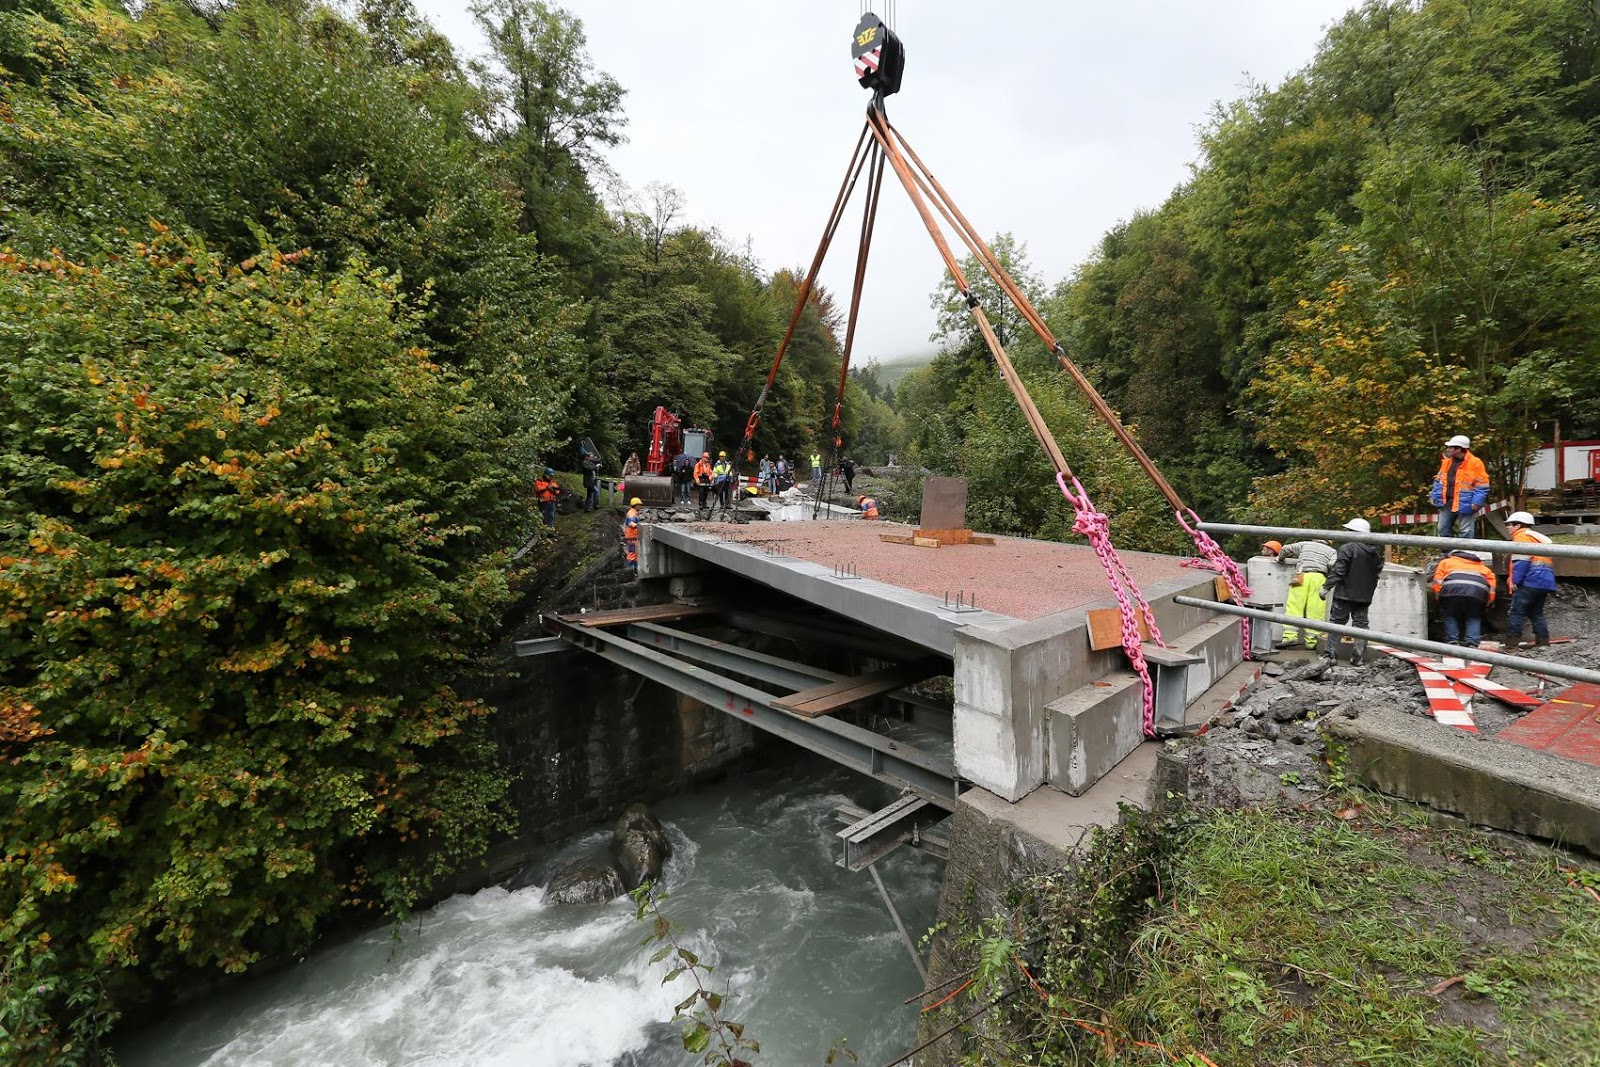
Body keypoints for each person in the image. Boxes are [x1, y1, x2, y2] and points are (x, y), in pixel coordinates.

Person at [1323, 517, 1383, 664]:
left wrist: (1326, 587)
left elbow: (1339, 570)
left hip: (1344, 594)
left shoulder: (1347, 548)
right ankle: (1358, 658)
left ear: (1354, 532)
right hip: (1364, 596)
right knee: (1361, 626)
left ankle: (1330, 656)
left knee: (1336, 624)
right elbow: (1376, 573)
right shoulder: (1376, 553)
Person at [1262, 539, 1336, 650]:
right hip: (1319, 578)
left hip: (1301, 576)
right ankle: (1312, 642)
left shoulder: (1305, 544)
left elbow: (1286, 548)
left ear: (1315, 539)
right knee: (1315, 610)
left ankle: (1290, 637)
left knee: (1294, 607)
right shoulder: (1332, 551)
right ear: (1329, 542)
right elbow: (1332, 564)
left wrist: (1280, 559)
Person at [1505, 511, 1556, 649]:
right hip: (1544, 581)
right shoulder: (1536, 538)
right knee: (1536, 612)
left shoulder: (1521, 537)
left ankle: (1511, 644)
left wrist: (1515, 580)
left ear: (1518, 525)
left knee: (1516, 612)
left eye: (1509, 525)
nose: (1507, 528)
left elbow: (1522, 561)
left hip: (1530, 580)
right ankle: (1543, 642)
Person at [1431, 549, 1496, 647]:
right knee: (1473, 617)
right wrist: (1487, 602)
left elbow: (1437, 581)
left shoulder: (1446, 562)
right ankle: (1472, 643)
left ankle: (1452, 642)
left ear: (1453, 555)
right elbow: (1491, 588)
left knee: (1450, 615)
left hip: (1451, 591)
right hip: (1476, 593)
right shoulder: (1484, 568)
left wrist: (1439, 596)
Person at [1430, 434, 1490, 539]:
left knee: (1466, 531)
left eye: (1450, 447)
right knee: (1442, 528)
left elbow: (1482, 486)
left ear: (1459, 449)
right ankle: (1448, 553)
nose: (1448, 449)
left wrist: (1476, 502)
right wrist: (1435, 496)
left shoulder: (1475, 463)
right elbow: (1439, 480)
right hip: (1447, 502)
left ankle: (1464, 554)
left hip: (1466, 502)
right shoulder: (1446, 462)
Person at [622, 496, 642, 573]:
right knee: (631, 554)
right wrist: (639, 526)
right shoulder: (631, 514)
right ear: (636, 505)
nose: (640, 506)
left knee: (635, 554)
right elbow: (631, 523)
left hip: (633, 537)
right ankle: (630, 571)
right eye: (639, 505)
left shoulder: (633, 513)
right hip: (631, 538)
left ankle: (635, 570)